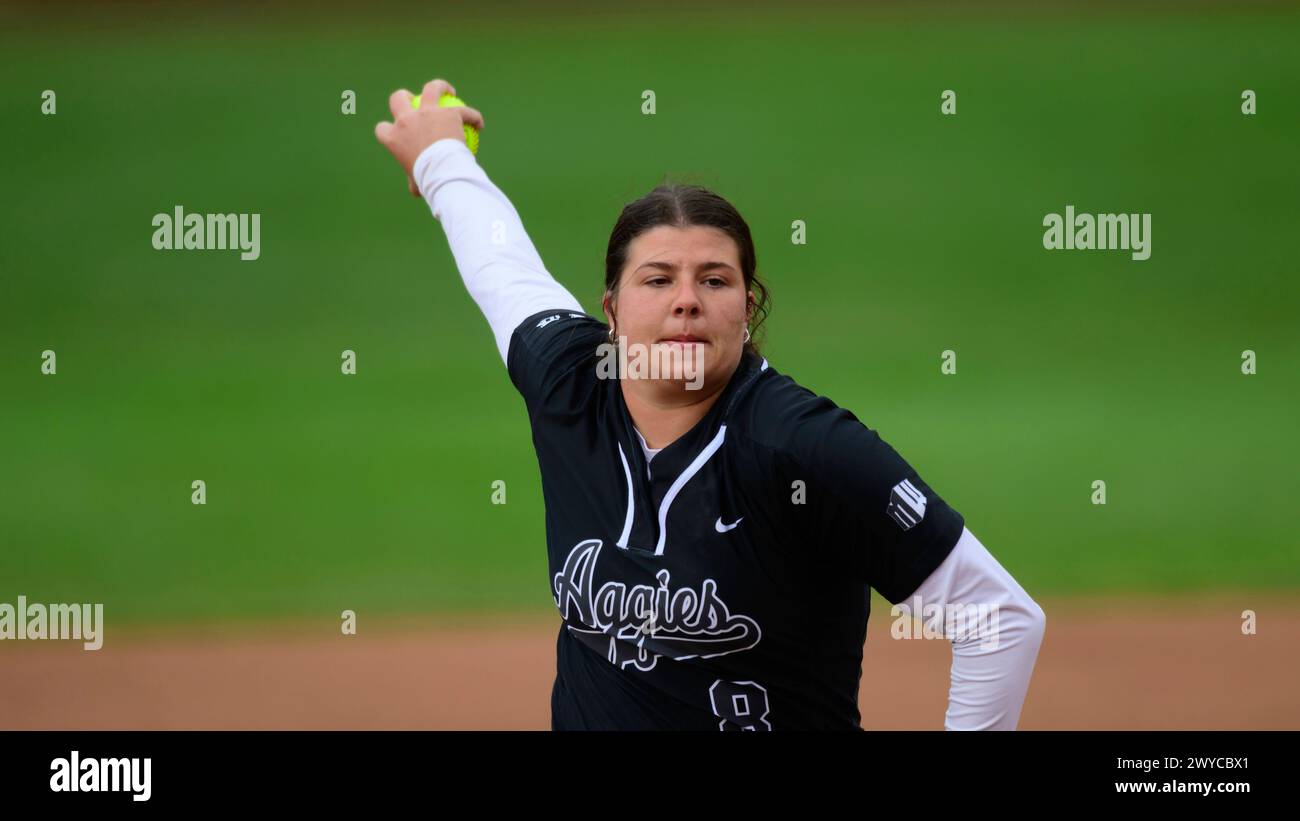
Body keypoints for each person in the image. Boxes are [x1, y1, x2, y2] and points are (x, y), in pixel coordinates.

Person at [375, 78, 1046, 730]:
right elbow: (502, 265)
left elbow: (998, 616)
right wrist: (439, 155)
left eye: (715, 279)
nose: (687, 299)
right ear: (611, 309)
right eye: (658, 278)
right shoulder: (569, 385)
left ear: (747, 310)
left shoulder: (801, 446)